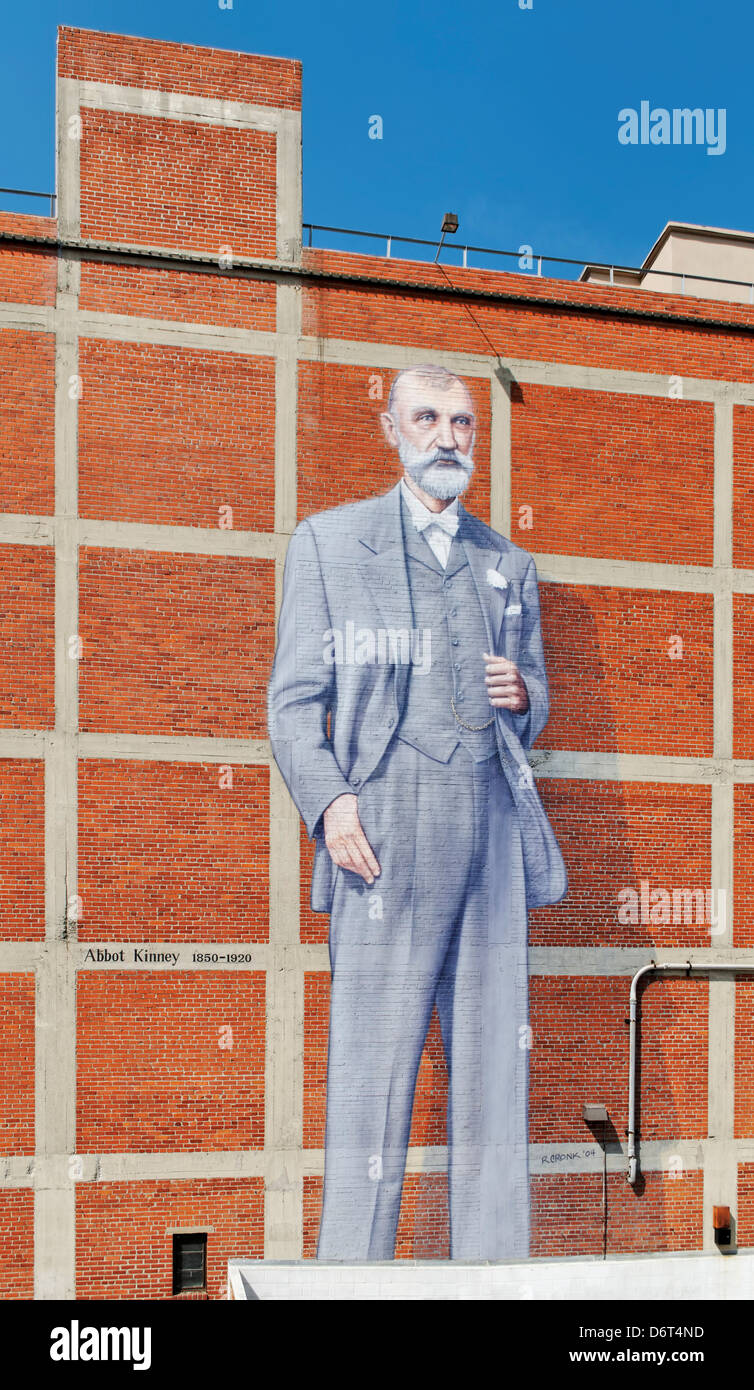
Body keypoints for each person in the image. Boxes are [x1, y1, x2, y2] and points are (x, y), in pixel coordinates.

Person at [268, 363, 567, 1260]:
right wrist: (332, 807)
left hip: (490, 833)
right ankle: (349, 1278)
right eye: (429, 419)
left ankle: (496, 1275)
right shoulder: (328, 543)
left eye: (465, 423)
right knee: (372, 1068)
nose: (449, 437)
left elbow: (538, 694)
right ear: (391, 431)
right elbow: (289, 706)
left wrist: (527, 696)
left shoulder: (509, 564)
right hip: (383, 836)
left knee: (491, 1072)